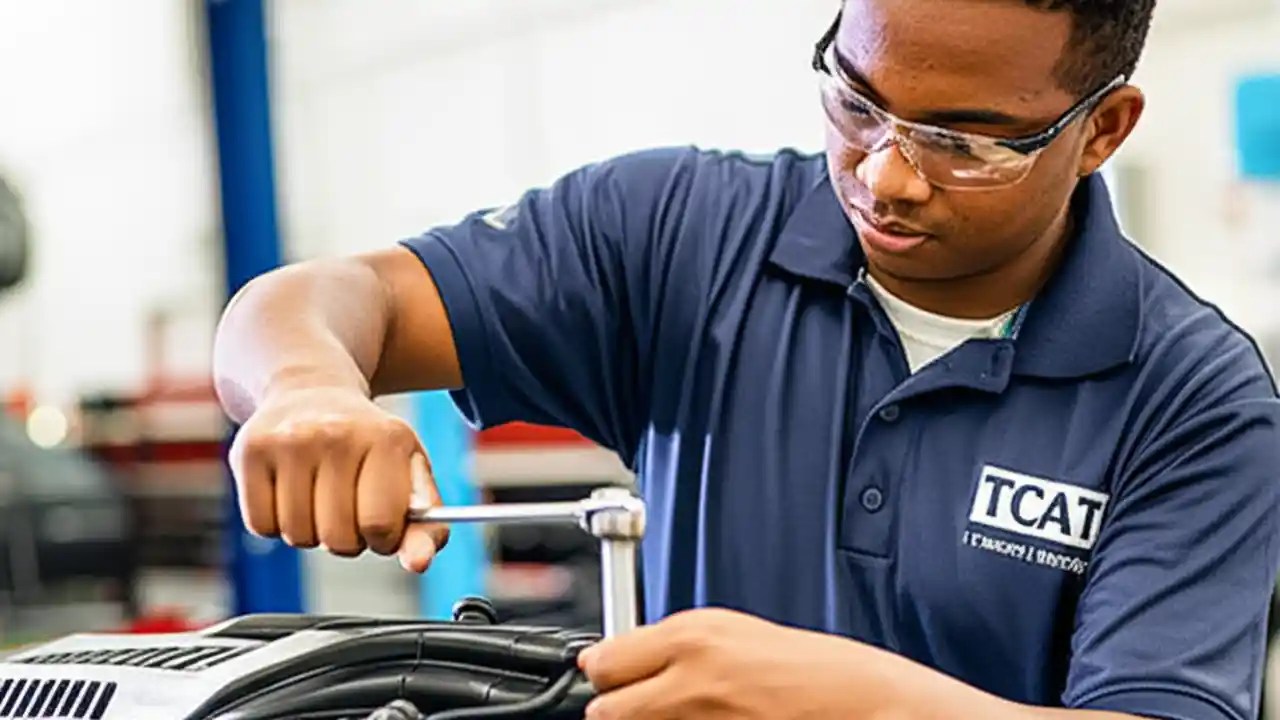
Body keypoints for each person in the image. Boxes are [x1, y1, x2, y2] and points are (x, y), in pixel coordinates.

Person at [212, 0, 1280, 718]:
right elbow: (320, 301)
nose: (887, 177)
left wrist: (843, 703)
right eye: (856, 103)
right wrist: (305, 386)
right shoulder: (678, 235)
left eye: (964, 141)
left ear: (1101, 131)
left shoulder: (1191, 398)